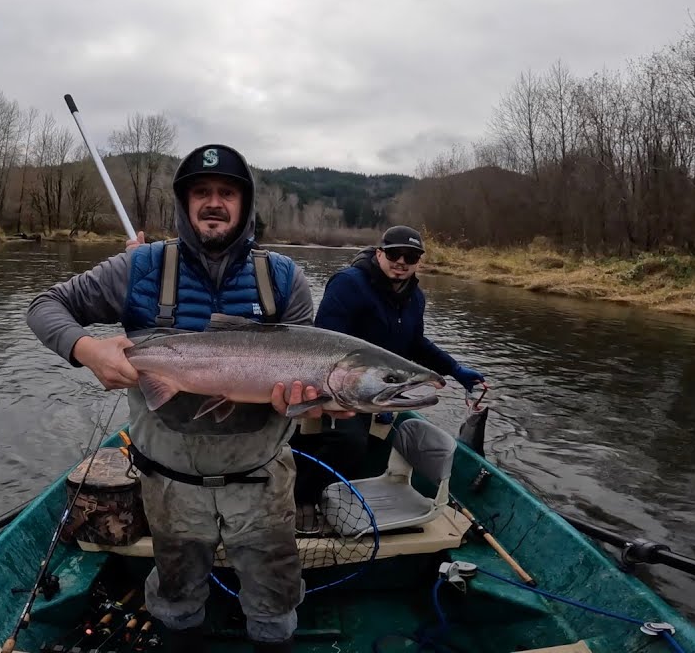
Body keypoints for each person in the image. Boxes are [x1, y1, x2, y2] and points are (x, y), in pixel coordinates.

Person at [26, 143, 342, 653]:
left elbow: (299, 383)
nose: (213, 202)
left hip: (261, 479)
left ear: (245, 204)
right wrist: (86, 349)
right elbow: (46, 306)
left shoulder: (284, 278)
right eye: (201, 192)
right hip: (168, 481)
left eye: (226, 192)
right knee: (175, 599)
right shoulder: (140, 269)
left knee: (275, 603)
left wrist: (306, 403)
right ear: (184, 202)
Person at [289, 225, 484, 504]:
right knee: (350, 444)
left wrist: (455, 369)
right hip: (335, 385)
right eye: (394, 254)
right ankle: (304, 500)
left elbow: (416, 344)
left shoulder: (416, 298)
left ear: (419, 261)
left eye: (411, 257)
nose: (402, 262)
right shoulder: (348, 283)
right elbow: (324, 343)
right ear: (379, 253)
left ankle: (337, 491)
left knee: (368, 443)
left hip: (380, 385)